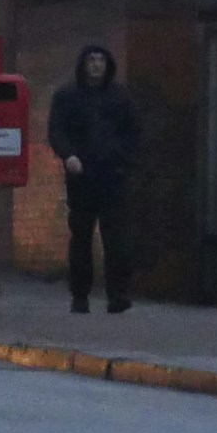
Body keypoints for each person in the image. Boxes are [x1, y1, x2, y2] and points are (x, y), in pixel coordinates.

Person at [48, 42, 143, 314]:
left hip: (113, 176)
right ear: (83, 64)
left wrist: (123, 159)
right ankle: (80, 296)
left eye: (101, 60)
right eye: (91, 60)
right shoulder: (68, 96)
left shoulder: (120, 97)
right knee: (81, 238)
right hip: (81, 177)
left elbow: (134, 132)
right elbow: (57, 130)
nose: (96, 65)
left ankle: (118, 295)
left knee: (117, 239)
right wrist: (68, 156)